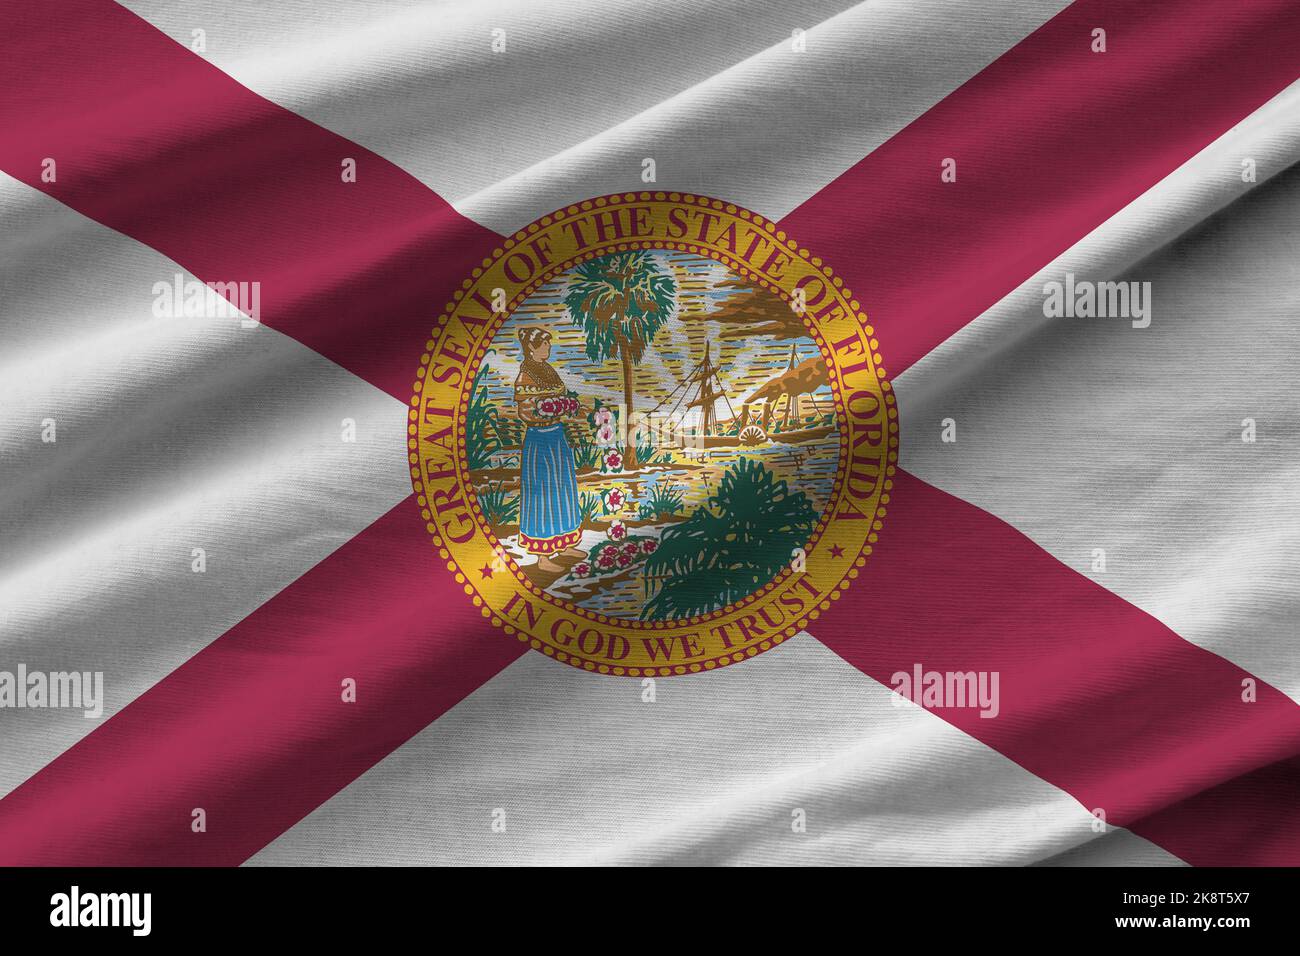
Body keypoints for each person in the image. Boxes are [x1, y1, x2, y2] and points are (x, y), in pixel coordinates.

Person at [514, 327, 586, 572]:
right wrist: (545, 410)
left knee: (563, 488)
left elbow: (561, 399)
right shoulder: (525, 375)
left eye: (548, 343)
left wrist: (566, 406)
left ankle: (565, 544)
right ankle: (543, 557)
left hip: (556, 436)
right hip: (539, 438)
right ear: (531, 347)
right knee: (542, 492)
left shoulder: (549, 371)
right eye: (544, 343)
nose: (548, 347)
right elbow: (525, 411)